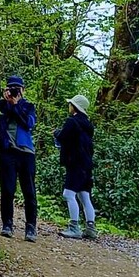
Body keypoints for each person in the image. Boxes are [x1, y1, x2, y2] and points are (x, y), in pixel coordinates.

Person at [0, 74, 38, 241]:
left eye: (17, 89)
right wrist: (2, 102)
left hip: (26, 153)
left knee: (29, 191)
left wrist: (15, 105)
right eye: (11, 88)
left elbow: (28, 124)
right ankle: (7, 224)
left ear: (23, 90)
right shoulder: (1, 106)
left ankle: (31, 227)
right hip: (7, 152)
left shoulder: (29, 107)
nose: (14, 91)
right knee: (7, 190)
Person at [53, 94, 97, 240]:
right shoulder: (88, 125)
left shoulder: (72, 122)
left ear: (75, 106)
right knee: (84, 196)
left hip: (75, 163)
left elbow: (63, 136)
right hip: (87, 164)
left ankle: (74, 227)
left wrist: (56, 133)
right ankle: (90, 228)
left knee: (68, 194)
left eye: (70, 104)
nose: (69, 106)